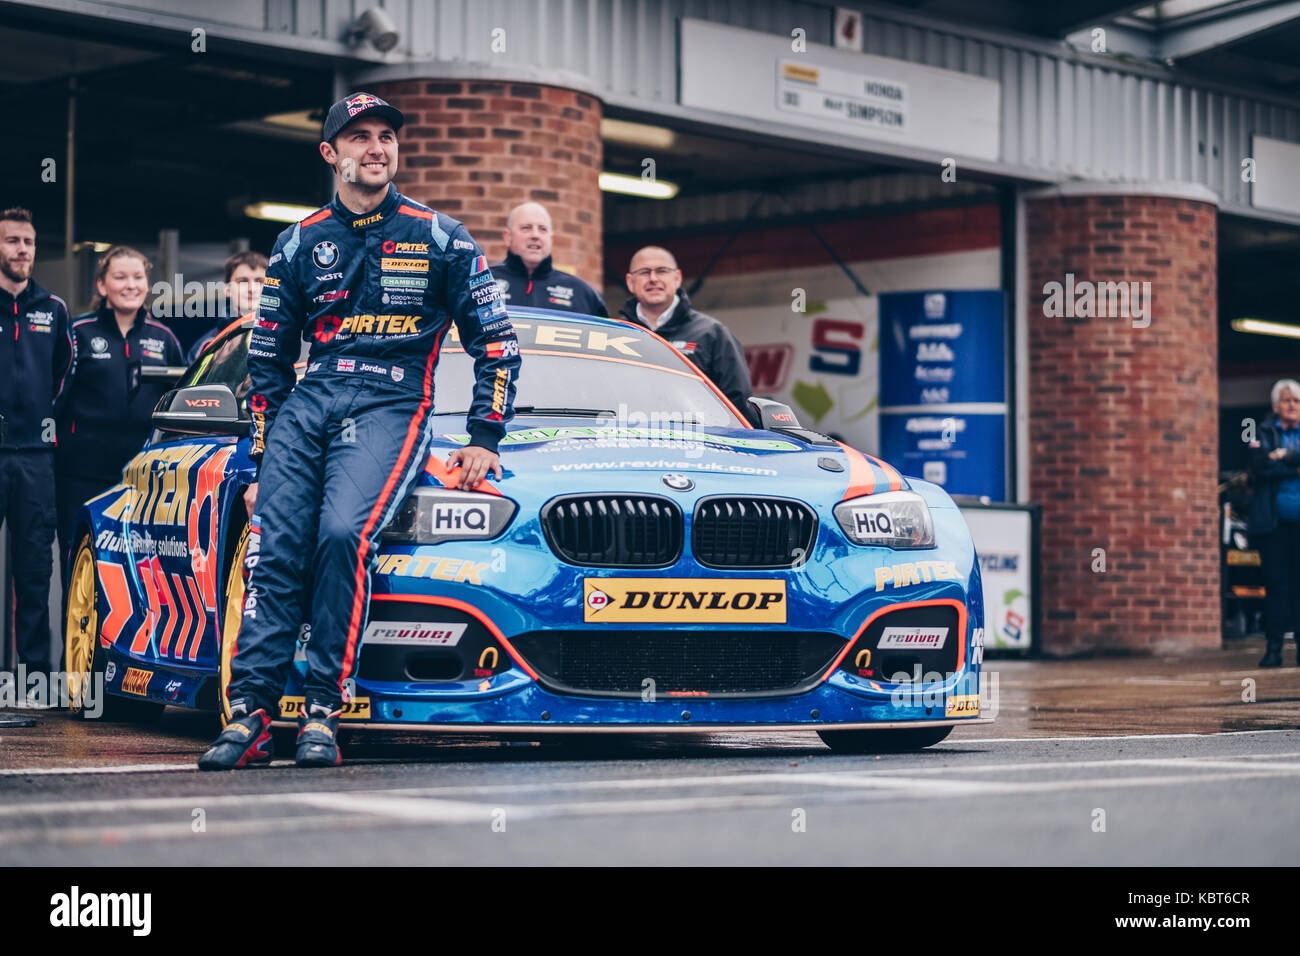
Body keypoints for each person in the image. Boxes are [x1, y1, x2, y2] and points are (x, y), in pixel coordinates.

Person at [199, 91, 520, 770]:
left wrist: (485, 436)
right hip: (307, 405)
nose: (377, 147)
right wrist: (260, 461)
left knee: (344, 533)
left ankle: (322, 710)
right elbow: (266, 361)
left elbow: (496, 341)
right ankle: (250, 714)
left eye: (387, 137)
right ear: (331, 153)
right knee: (275, 549)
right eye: (360, 137)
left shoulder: (442, 237)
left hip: (391, 403)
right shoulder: (298, 241)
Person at [57, 247, 184, 565]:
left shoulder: (164, 338)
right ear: (102, 285)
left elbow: (181, 404)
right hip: (81, 476)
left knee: (138, 569)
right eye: (120, 277)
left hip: (145, 479)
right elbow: (54, 398)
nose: (131, 284)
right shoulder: (76, 333)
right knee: (80, 565)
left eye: (138, 277)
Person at [0, 208, 73, 685]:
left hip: (35, 458)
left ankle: (31, 682)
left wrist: (45, 418)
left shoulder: (54, 308)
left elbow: (67, 372)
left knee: (33, 571)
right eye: (11, 241)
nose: (22, 249)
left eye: (27, 241)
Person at [618, 246, 757, 425]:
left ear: (677, 278)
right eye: (644, 272)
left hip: (698, 442)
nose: (653, 279)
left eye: (662, 271)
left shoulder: (712, 333)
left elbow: (738, 402)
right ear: (630, 282)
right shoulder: (616, 332)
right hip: (630, 439)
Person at [1247, 378, 1300, 667]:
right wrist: (1295, 465)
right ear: (1275, 405)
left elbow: (1272, 464)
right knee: (1276, 586)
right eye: (1287, 400)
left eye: (1296, 401)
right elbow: (1259, 465)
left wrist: (1284, 456)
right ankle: (1274, 649)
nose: (1292, 405)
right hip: (1274, 526)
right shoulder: (1260, 431)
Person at [490, 201, 607, 316]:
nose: (535, 235)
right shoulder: (484, 282)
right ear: (507, 237)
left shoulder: (583, 293)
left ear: (551, 239)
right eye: (526, 228)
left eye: (542, 229)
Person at [186, 251, 267, 364]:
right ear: (227, 289)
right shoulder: (209, 345)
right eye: (242, 281)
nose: (252, 289)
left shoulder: (290, 334)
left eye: (260, 281)